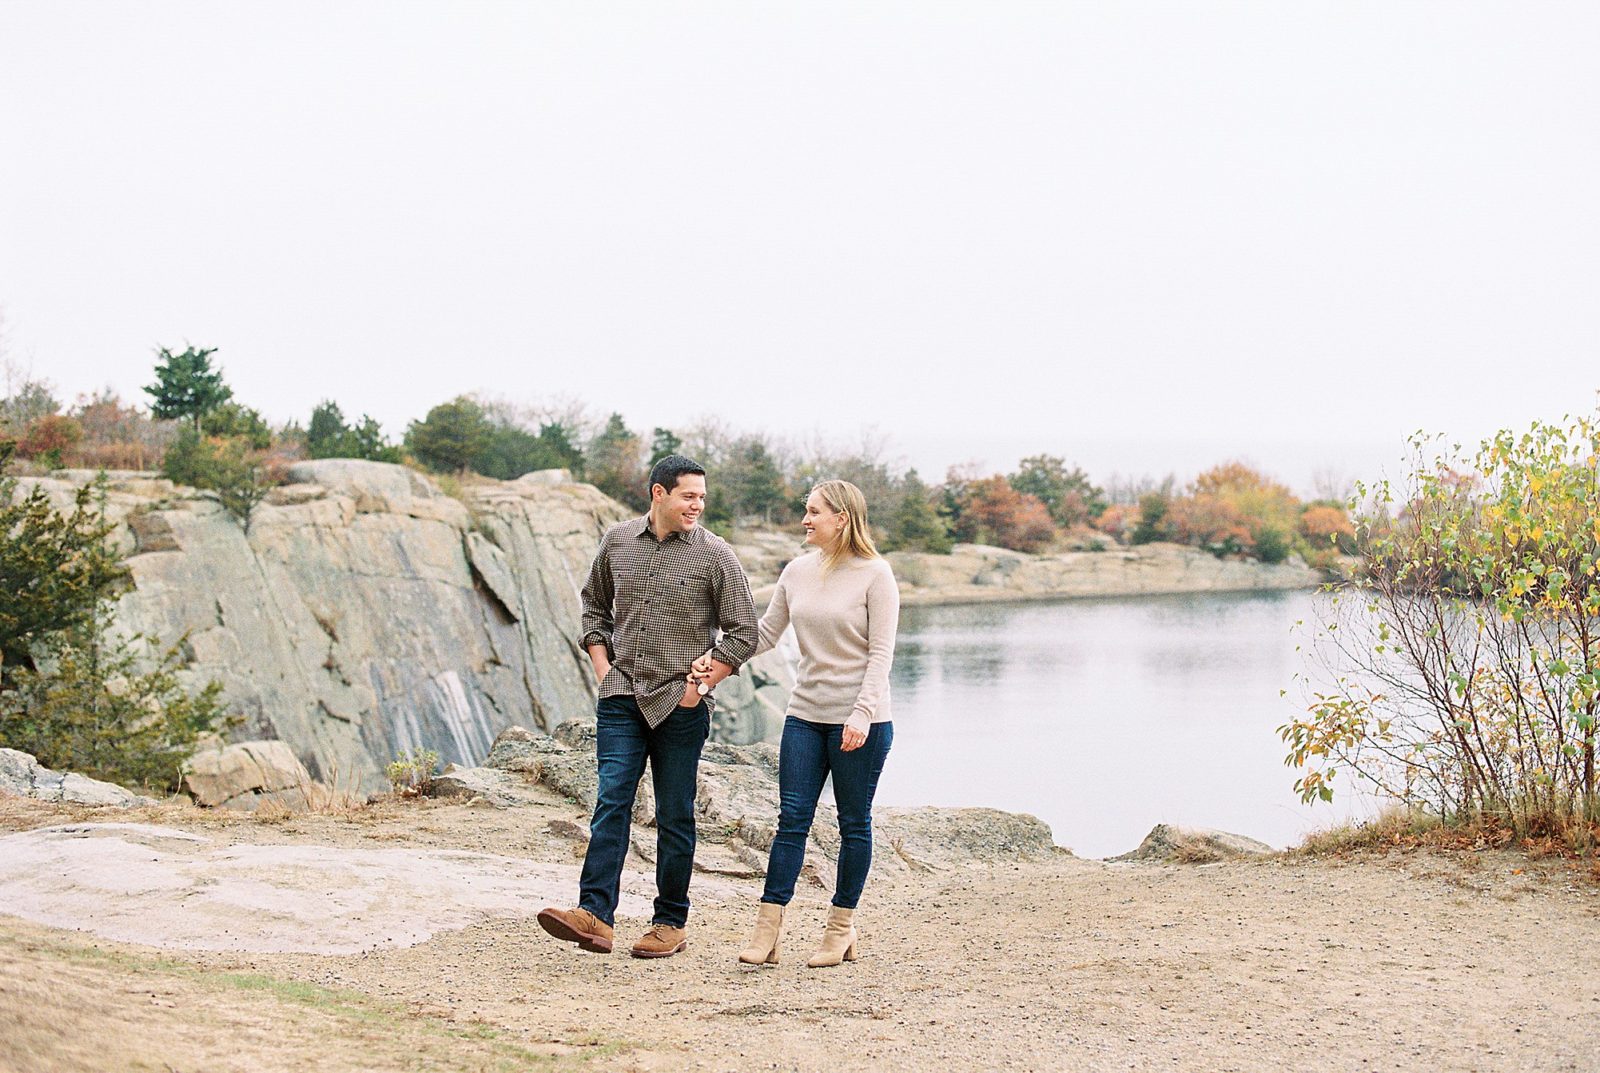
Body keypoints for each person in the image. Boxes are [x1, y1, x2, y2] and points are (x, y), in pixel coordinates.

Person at [537, 454, 757, 959]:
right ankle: (594, 915)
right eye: (688, 496)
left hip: (681, 703)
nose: (697, 505)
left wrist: (701, 685)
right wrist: (603, 669)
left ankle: (669, 922)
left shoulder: (715, 554)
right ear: (659, 493)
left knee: (674, 813)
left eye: (702, 497)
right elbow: (594, 607)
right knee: (612, 799)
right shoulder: (617, 541)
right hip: (622, 696)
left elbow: (745, 631)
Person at [695, 478, 898, 969]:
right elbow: (765, 634)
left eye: (814, 512)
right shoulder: (797, 571)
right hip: (805, 715)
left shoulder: (876, 574)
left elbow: (880, 654)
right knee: (791, 821)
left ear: (841, 518)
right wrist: (716, 660)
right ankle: (767, 932)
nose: (805, 520)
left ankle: (840, 929)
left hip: (860, 721)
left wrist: (861, 713)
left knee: (853, 824)